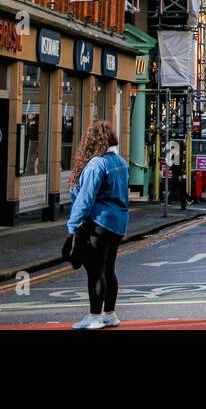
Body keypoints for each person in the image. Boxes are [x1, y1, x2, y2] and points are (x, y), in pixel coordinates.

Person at [67, 121, 130, 329]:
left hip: (99, 223)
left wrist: (72, 227)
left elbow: (85, 200)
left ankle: (94, 317)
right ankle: (110, 314)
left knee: (95, 271)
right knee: (109, 269)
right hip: (118, 223)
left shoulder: (97, 164)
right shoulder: (120, 162)